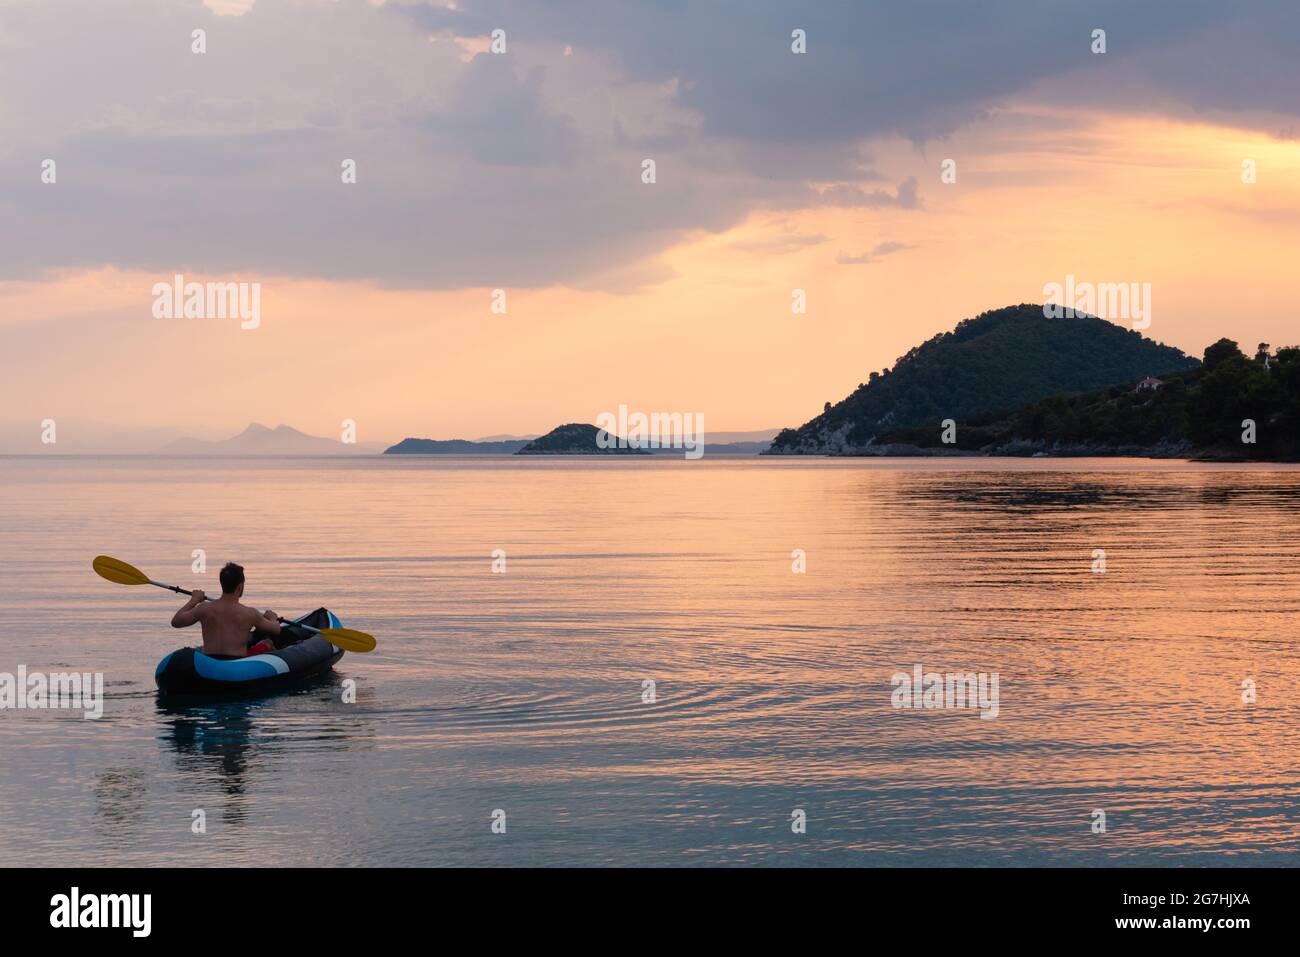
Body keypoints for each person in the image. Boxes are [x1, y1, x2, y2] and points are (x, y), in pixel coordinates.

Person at [170, 562, 281, 657]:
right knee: (267, 643)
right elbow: (276, 629)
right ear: (240, 587)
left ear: (222, 584)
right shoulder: (250, 613)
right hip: (236, 664)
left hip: (209, 662)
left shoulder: (204, 608)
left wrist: (194, 600)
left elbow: (176, 622)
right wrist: (272, 618)